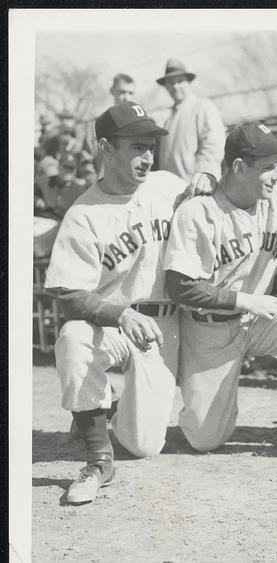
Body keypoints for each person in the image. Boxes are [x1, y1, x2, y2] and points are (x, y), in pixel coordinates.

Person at [44, 102, 190, 505]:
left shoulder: (169, 186)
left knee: (144, 445)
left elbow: (219, 192)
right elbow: (67, 293)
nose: (148, 157)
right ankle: (98, 456)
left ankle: (106, 410)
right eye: (137, 147)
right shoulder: (84, 214)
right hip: (112, 324)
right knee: (73, 339)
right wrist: (119, 314)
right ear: (106, 148)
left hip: (165, 324)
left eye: (151, 147)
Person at [163, 122, 277, 454]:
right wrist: (245, 302)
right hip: (208, 329)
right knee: (205, 439)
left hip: (257, 318)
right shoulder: (197, 211)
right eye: (268, 167)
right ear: (239, 167)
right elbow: (180, 287)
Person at [155, 58, 226, 182]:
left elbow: (213, 147)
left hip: (196, 188)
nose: (175, 86)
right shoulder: (168, 121)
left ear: (188, 82)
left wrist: (202, 178)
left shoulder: (202, 107)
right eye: (171, 82)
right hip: (171, 192)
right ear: (166, 86)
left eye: (180, 81)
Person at [82, 73, 138, 167]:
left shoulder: (139, 125)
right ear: (112, 91)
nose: (126, 98)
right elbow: (86, 158)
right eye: (122, 92)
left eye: (130, 93)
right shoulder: (96, 124)